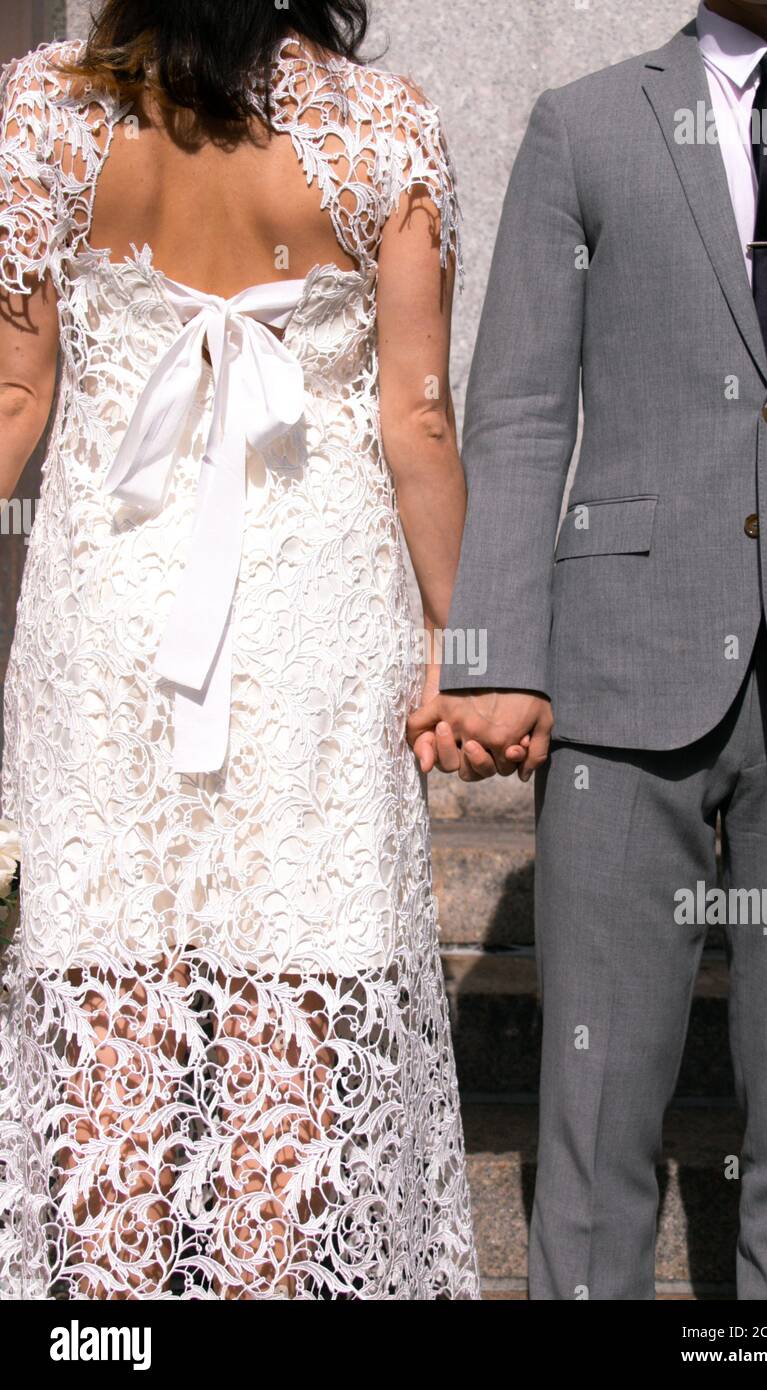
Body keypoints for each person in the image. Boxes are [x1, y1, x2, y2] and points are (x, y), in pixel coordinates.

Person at [0, 0, 478, 1299]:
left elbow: (16, 390)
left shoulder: (51, 110)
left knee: (111, 1013)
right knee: (290, 1013)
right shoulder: (380, 126)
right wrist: (466, 637)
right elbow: (418, 421)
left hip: (113, 610)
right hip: (305, 619)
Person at [411, 0, 767, 1299]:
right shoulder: (587, 124)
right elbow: (514, 404)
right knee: (596, 1123)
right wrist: (495, 650)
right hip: (619, 678)